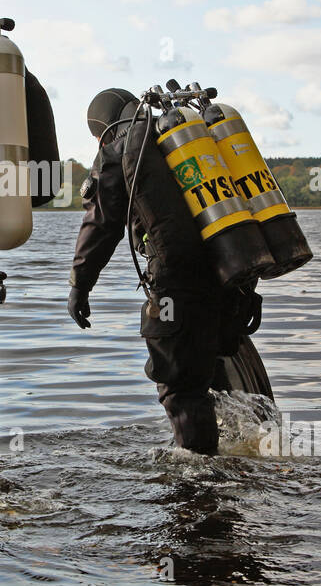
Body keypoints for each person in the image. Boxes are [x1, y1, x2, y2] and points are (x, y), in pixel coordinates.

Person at [67, 88, 263, 455]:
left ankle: (197, 481)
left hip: (178, 286)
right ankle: (240, 467)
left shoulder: (123, 150)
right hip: (231, 275)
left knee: (181, 388)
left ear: (102, 130)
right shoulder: (184, 140)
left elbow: (102, 224)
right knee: (208, 376)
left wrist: (80, 284)